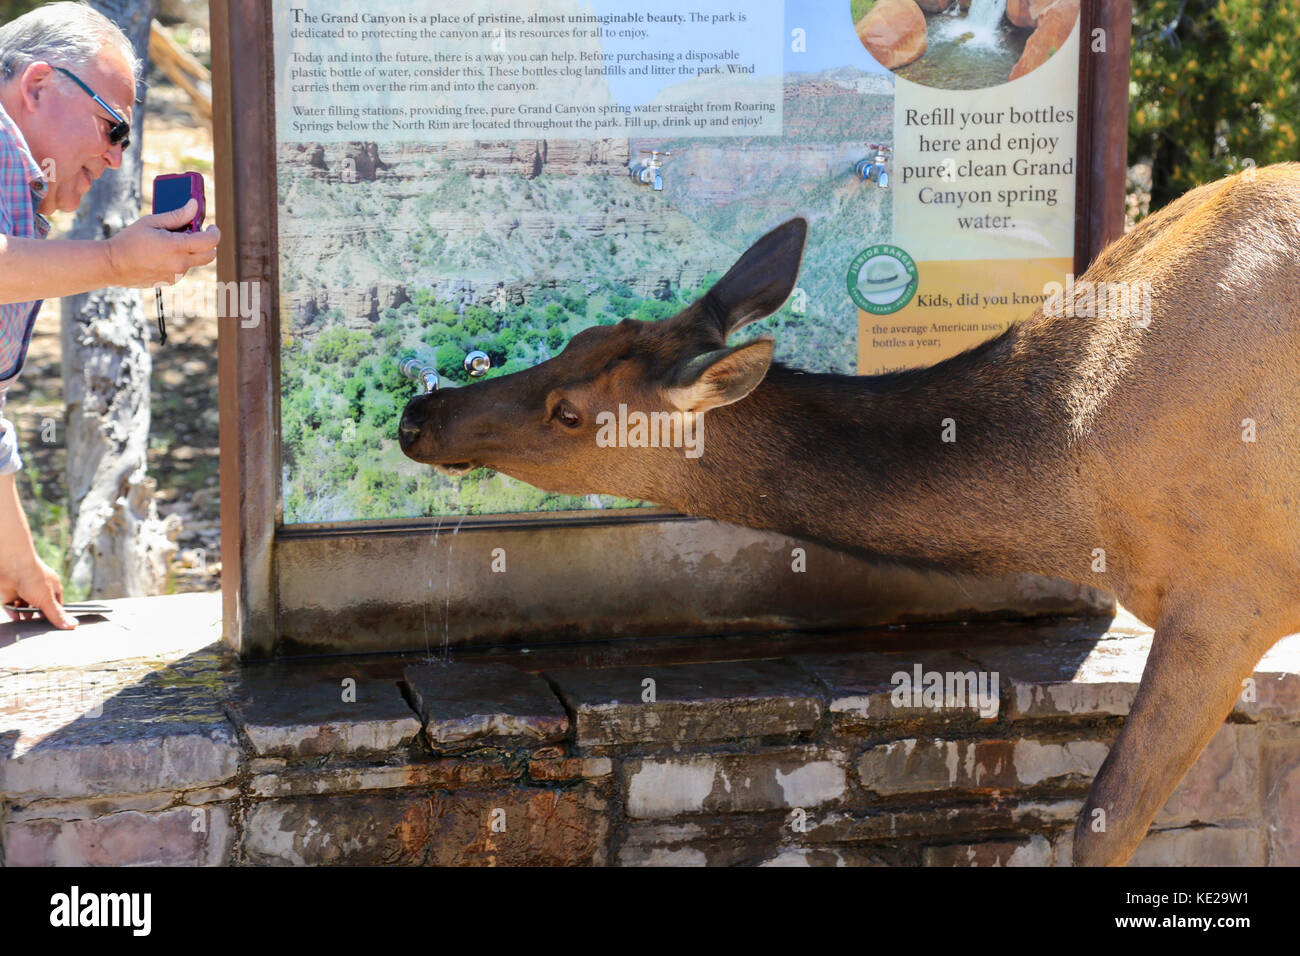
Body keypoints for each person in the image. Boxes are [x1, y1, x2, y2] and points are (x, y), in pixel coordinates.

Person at [0, 2, 219, 628]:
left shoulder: (20, 194)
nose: (117, 156)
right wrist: (116, 263)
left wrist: (14, 557)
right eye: (112, 128)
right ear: (38, 86)